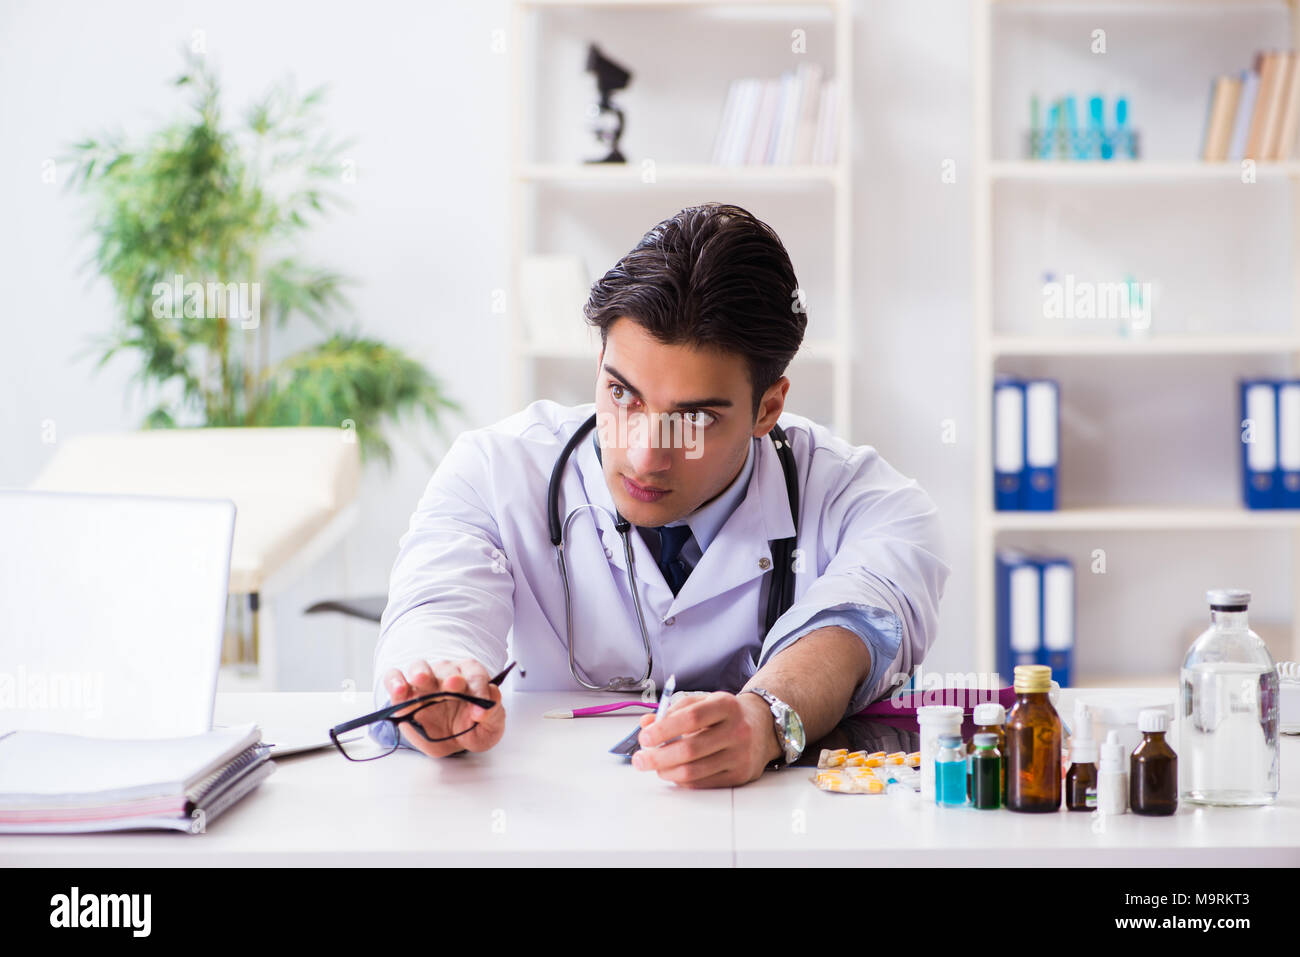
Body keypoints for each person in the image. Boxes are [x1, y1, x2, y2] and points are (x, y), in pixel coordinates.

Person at [374, 203, 949, 788]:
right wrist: (435, 682)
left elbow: (855, 626)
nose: (646, 454)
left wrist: (766, 718)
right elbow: (438, 606)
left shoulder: (865, 502)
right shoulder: (495, 470)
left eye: (695, 417)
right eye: (623, 394)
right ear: (600, 363)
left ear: (768, 408)